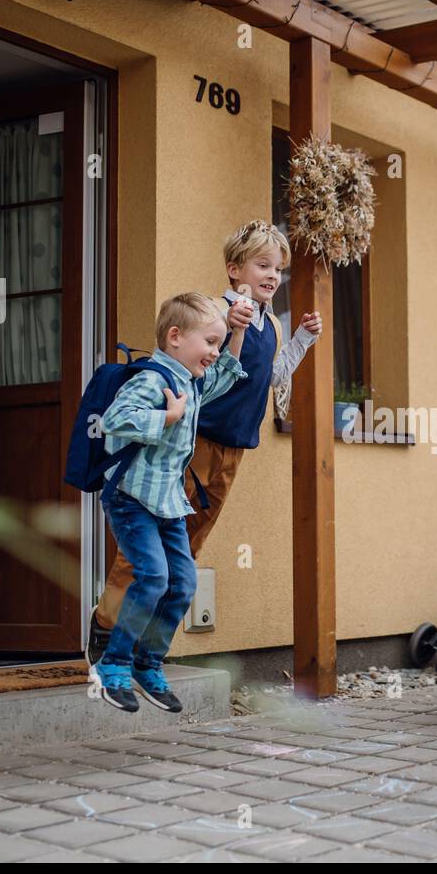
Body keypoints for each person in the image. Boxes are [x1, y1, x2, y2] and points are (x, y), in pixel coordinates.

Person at [89, 220, 322, 659]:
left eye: (278, 269)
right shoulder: (215, 312)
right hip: (191, 447)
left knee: (188, 544)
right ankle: (106, 625)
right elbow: (202, 373)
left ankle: (143, 642)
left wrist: (302, 340)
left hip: (233, 452)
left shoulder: (270, 323)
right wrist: (230, 327)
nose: (273, 275)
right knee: (149, 540)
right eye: (263, 265)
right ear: (235, 269)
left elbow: (271, 377)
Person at [91, 293, 249, 713]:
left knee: (183, 584)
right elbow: (115, 419)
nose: (215, 352)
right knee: (153, 578)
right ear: (175, 337)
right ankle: (114, 663)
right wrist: (167, 417)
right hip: (132, 500)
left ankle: (148, 663)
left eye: (218, 344)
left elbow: (227, 377)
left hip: (168, 504)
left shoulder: (190, 383)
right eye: (210, 343)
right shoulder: (152, 379)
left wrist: (238, 332)